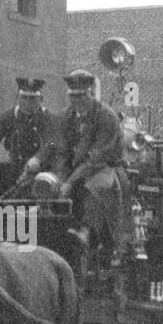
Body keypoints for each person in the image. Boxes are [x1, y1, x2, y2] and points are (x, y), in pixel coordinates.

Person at [44, 69, 128, 262]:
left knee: (95, 186)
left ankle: (85, 231)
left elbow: (95, 159)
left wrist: (69, 183)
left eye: (82, 95)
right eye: (72, 95)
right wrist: (58, 178)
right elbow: (61, 151)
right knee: (47, 183)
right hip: (77, 168)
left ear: (91, 93)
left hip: (106, 168)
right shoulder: (68, 116)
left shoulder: (107, 117)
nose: (77, 100)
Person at [0, 77, 56, 194]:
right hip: (16, 169)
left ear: (41, 99)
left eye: (33, 99)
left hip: (41, 171)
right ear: (17, 98)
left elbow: (52, 143)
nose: (28, 103)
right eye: (24, 98)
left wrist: (38, 158)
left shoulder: (48, 119)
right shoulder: (9, 117)